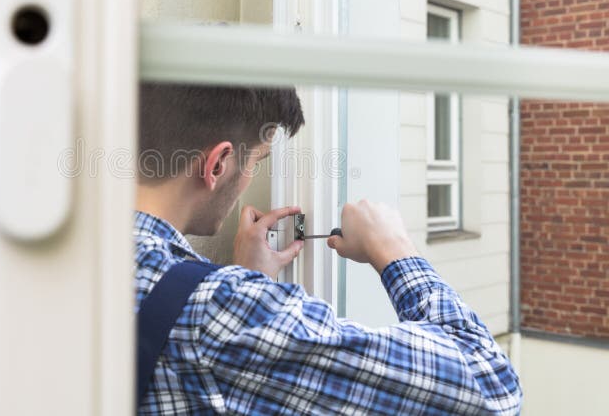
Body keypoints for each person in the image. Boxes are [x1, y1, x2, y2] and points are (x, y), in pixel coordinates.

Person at [134, 83, 522, 415]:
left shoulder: (89, 257)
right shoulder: (216, 310)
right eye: (257, 161)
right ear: (218, 165)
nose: (250, 178)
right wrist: (396, 252)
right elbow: (491, 390)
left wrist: (246, 282)